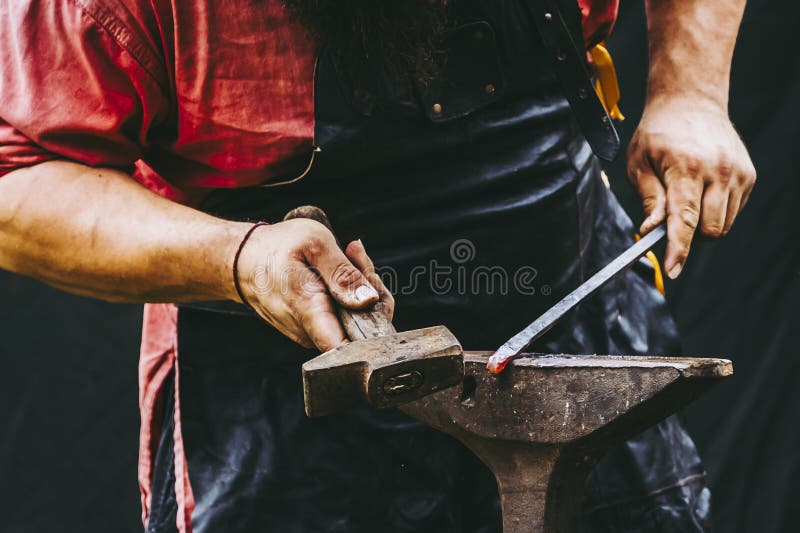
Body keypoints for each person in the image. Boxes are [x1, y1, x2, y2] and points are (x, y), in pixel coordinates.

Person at [0, 0, 755, 531]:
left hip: (567, 297)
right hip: (278, 399)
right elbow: (17, 180)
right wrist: (239, 256)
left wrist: (690, 88)